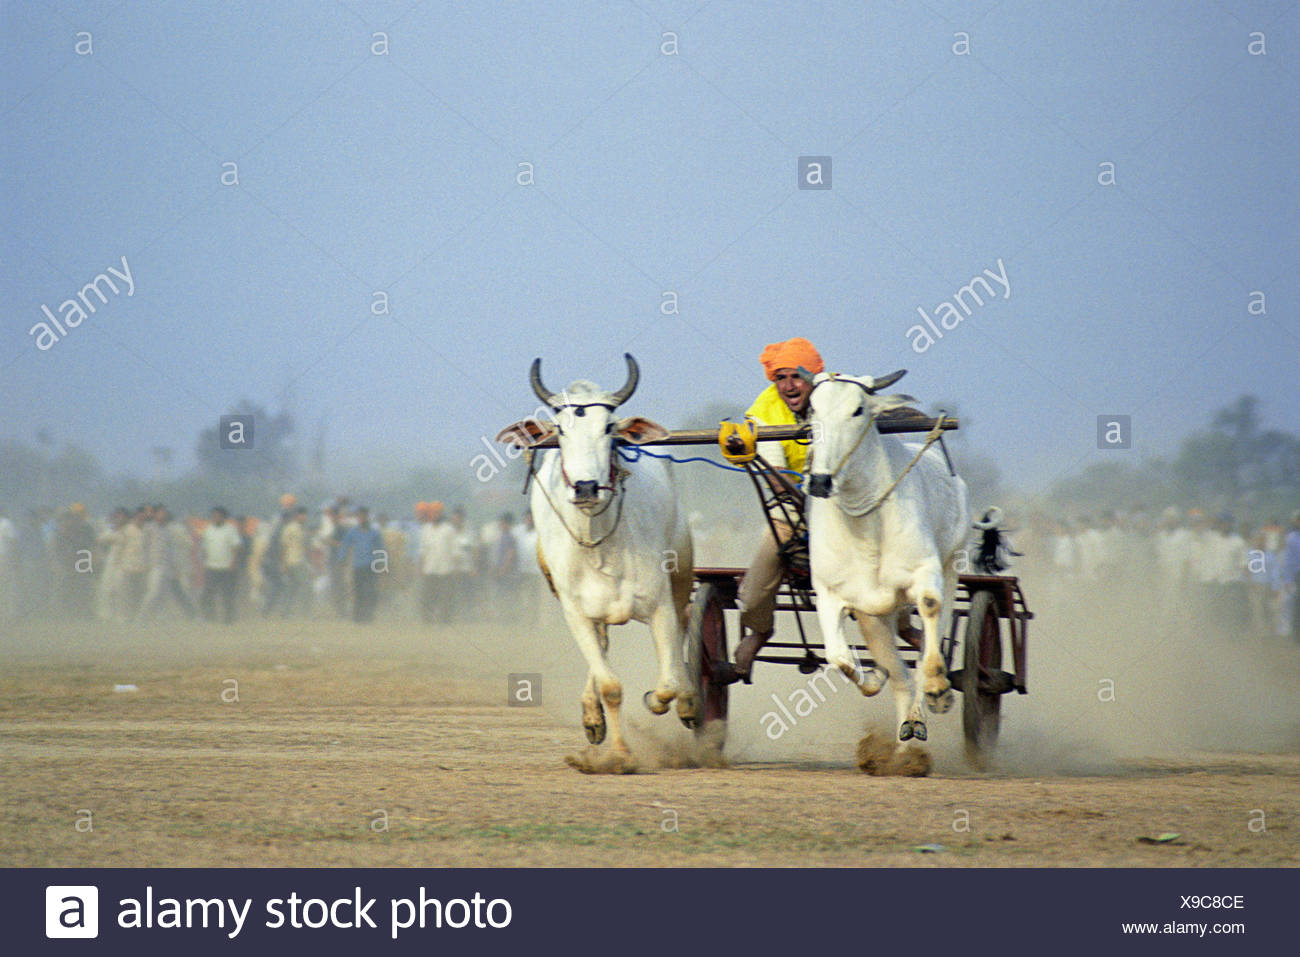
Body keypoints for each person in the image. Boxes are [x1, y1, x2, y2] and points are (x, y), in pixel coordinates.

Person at [729, 337, 824, 680]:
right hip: (793, 512)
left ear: (813, 376)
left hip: (848, 509)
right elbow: (775, 474)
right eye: (780, 378)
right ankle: (759, 632)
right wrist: (802, 494)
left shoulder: (838, 398)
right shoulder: (763, 412)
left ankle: (903, 626)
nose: (788, 386)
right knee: (753, 593)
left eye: (796, 377)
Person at [336, 506, 384, 623]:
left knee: (371, 592)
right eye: (360, 517)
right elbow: (345, 545)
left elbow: (380, 549)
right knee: (358, 593)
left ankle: (369, 616)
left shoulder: (375, 533)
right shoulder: (352, 532)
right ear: (358, 518)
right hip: (358, 567)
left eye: (364, 516)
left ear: (367, 517)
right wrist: (342, 559)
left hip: (371, 567)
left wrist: (382, 565)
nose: (362, 519)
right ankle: (358, 618)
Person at [199, 507, 242, 623]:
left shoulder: (230, 529)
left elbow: (237, 547)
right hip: (211, 567)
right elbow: (204, 547)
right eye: (214, 516)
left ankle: (229, 618)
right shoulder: (208, 529)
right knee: (208, 594)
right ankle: (210, 617)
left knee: (227, 594)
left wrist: (234, 562)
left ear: (224, 517)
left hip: (227, 567)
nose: (215, 518)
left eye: (218, 516)